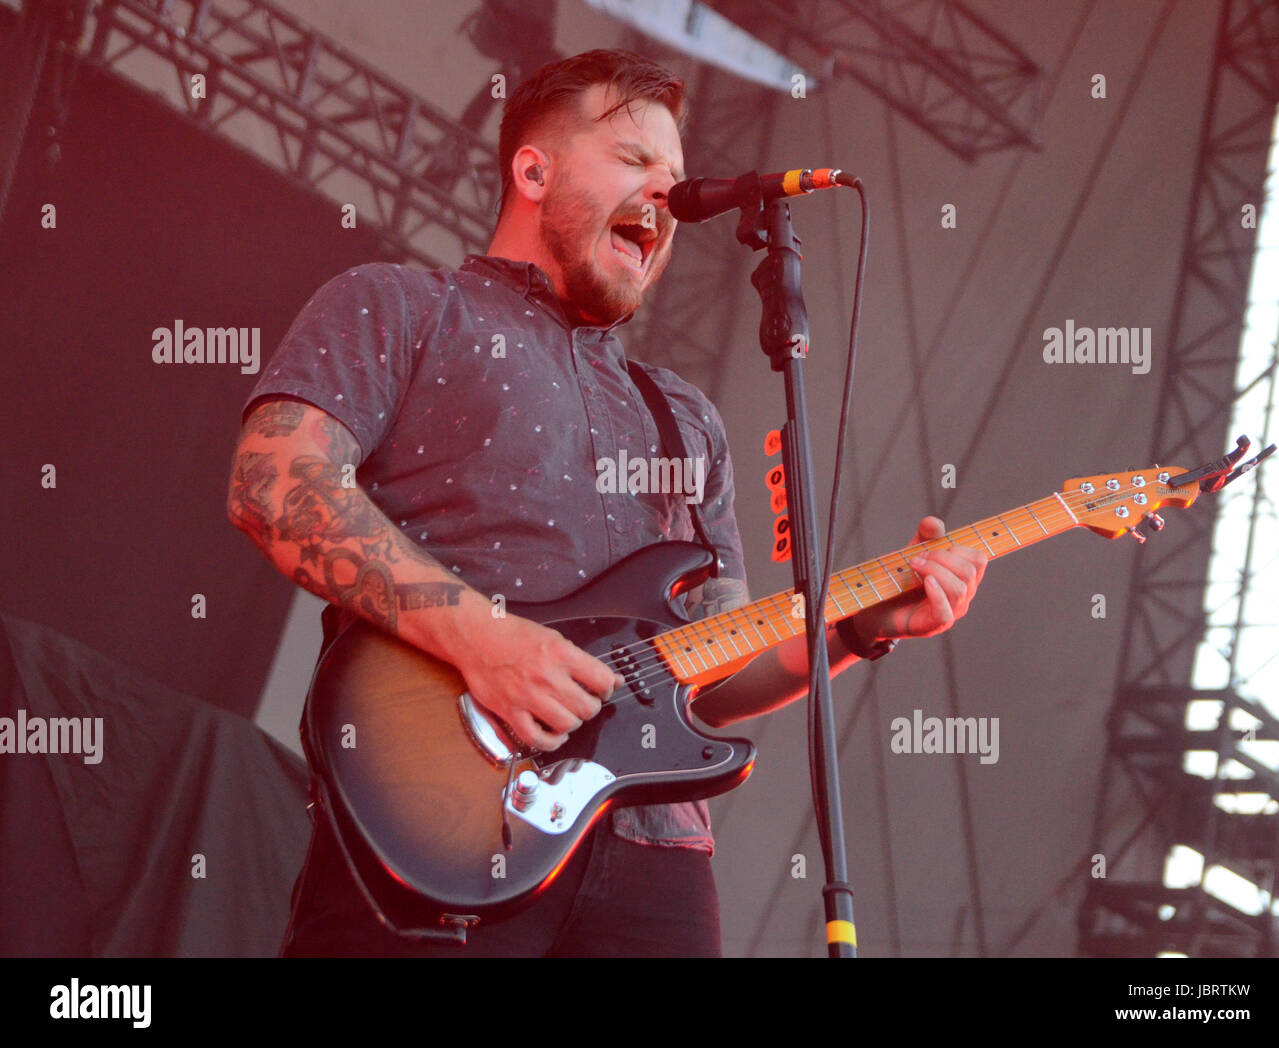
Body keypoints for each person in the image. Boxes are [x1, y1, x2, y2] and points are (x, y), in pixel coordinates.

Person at [226, 48, 987, 957]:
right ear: (534, 169)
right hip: (442, 822)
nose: (665, 196)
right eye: (633, 161)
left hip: (656, 859)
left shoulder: (686, 419)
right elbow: (273, 485)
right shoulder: (398, 305)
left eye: (675, 178)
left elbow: (716, 663)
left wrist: (860, 627)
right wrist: (486, 640)